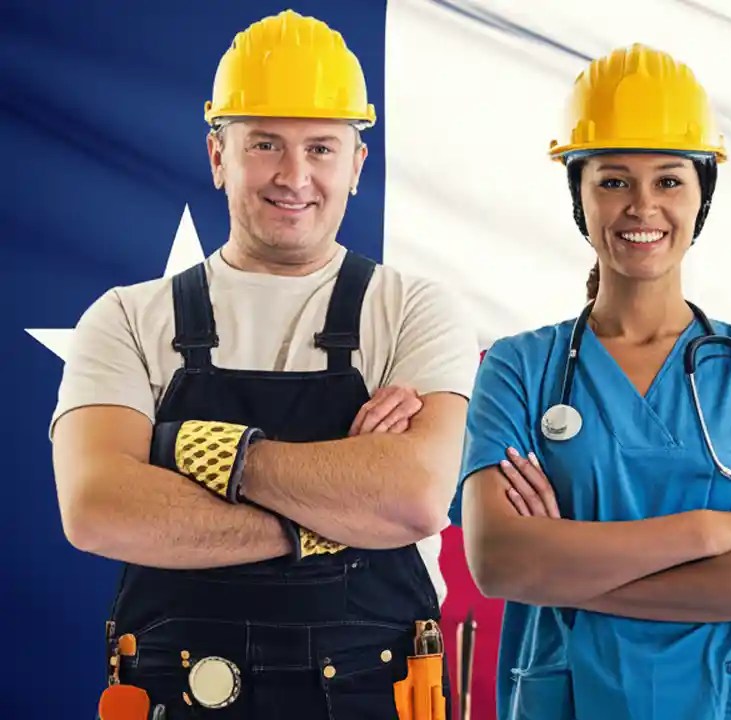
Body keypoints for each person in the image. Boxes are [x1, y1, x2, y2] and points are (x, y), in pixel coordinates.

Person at [49, 10, 477, 716]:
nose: (294, 176)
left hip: (375, 692)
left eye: (321, 148)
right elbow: (99, 511)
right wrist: (333, 511)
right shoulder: (126, 317)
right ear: (218, 156)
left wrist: (198, 452)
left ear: (357, 165)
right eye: (265, 144)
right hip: (175, 693)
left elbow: (415, 498)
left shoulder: (415, 311)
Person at [448, 44, 731, 720]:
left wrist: (569, 575)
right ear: (577, 192)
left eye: (668, 180)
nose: (641, 207)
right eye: (612, 180)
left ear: (701, 196)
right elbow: (499, 561)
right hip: (569, 696)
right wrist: (703, 531)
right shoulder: (519, 368)